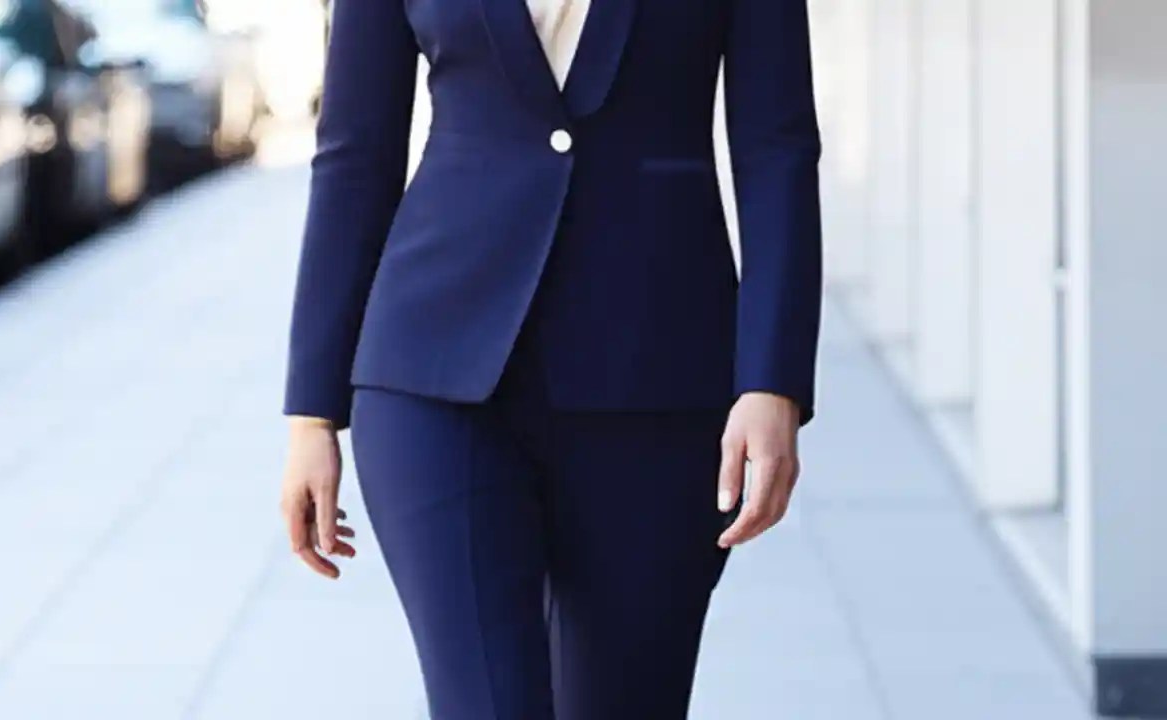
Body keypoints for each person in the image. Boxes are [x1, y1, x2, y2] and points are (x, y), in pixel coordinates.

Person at [279, 0, 822, 716]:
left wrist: (772, 381)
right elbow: (354, 153)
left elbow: (777, 149)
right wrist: (312, 415)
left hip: (658, 376)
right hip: (435, 377)